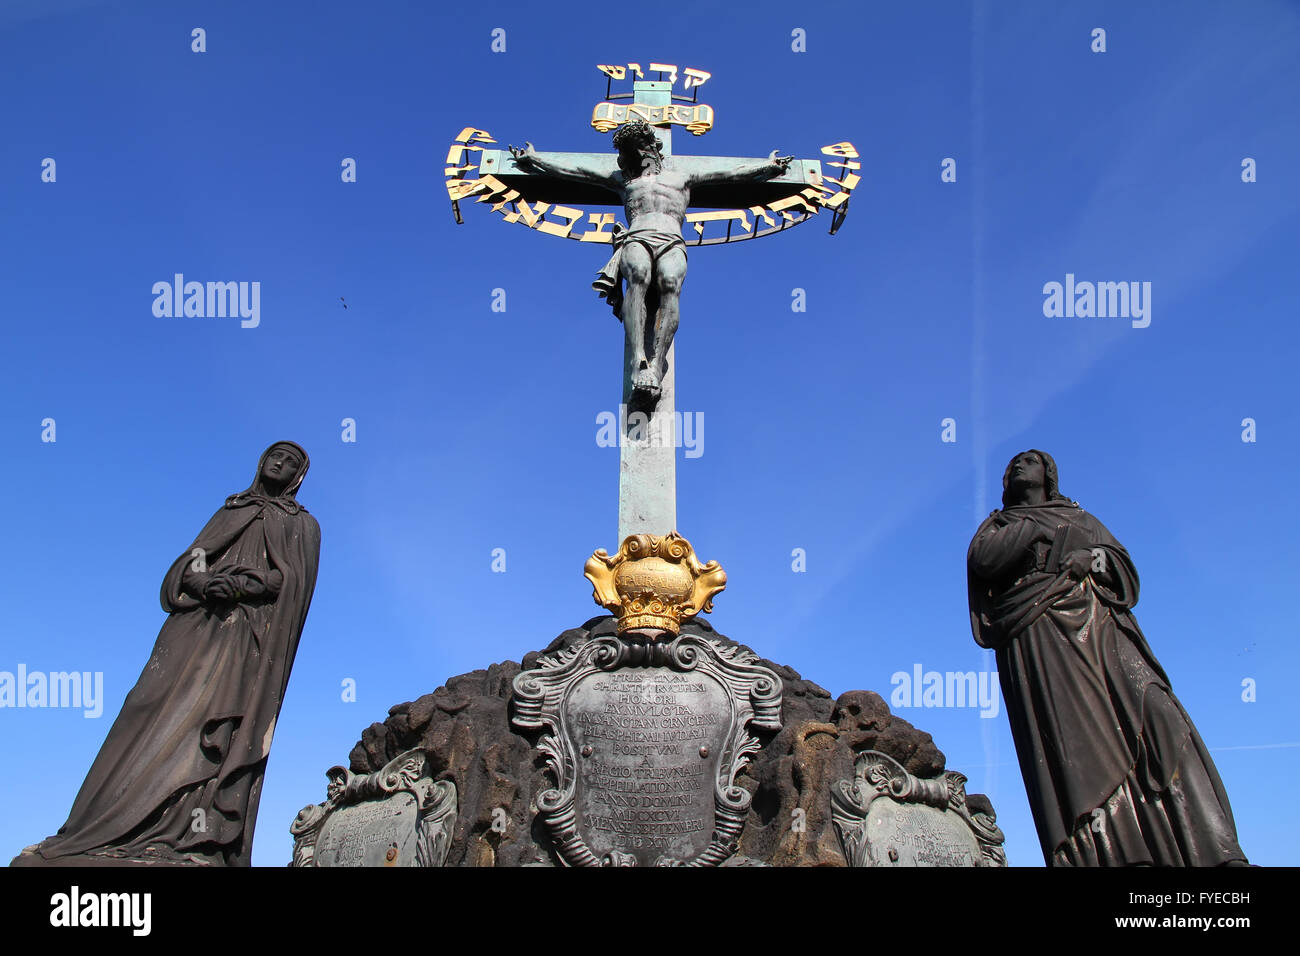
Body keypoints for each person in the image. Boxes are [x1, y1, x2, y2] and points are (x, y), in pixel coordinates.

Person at [17, 441, 320, 866]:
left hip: (241, 640)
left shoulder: (301, 525)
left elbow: (291, 586)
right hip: (194, 626)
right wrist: (201, 583)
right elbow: (194, 559)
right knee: (142, 705)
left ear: (298, 477)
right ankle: (90, 828)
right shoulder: (231, 509)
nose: (280, 462)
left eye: (291, 462)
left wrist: (241, 585)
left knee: (207, 728)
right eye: (275, 455)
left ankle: (185, 837)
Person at [966, 449, 1248, 866]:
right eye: (1013, 465)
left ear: (1049, 473)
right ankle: (1127, 856)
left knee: (1160, 715)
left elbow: (1121, 565)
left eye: (1030, 460)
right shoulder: (1000, 524)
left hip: (1103, 629)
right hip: (1044, 636)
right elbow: (984, 560)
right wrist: (1034, 533)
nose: (1019, 465)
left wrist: (1089, 558)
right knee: (1084, 750)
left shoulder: (1081, 518)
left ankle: (1217, 853)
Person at [510, 120, 792, 403]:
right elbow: (577, 171)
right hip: (638, 235)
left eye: (638, 151)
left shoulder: (683, 176)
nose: (634, 159)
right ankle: (639, 362)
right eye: (628, 154)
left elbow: (730, 173)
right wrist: (536, 161)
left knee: (670, 283)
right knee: (638, 277)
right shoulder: (624, 180)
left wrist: (766, 168)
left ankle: (657, 365)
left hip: (671, 238)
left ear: (651, 150)